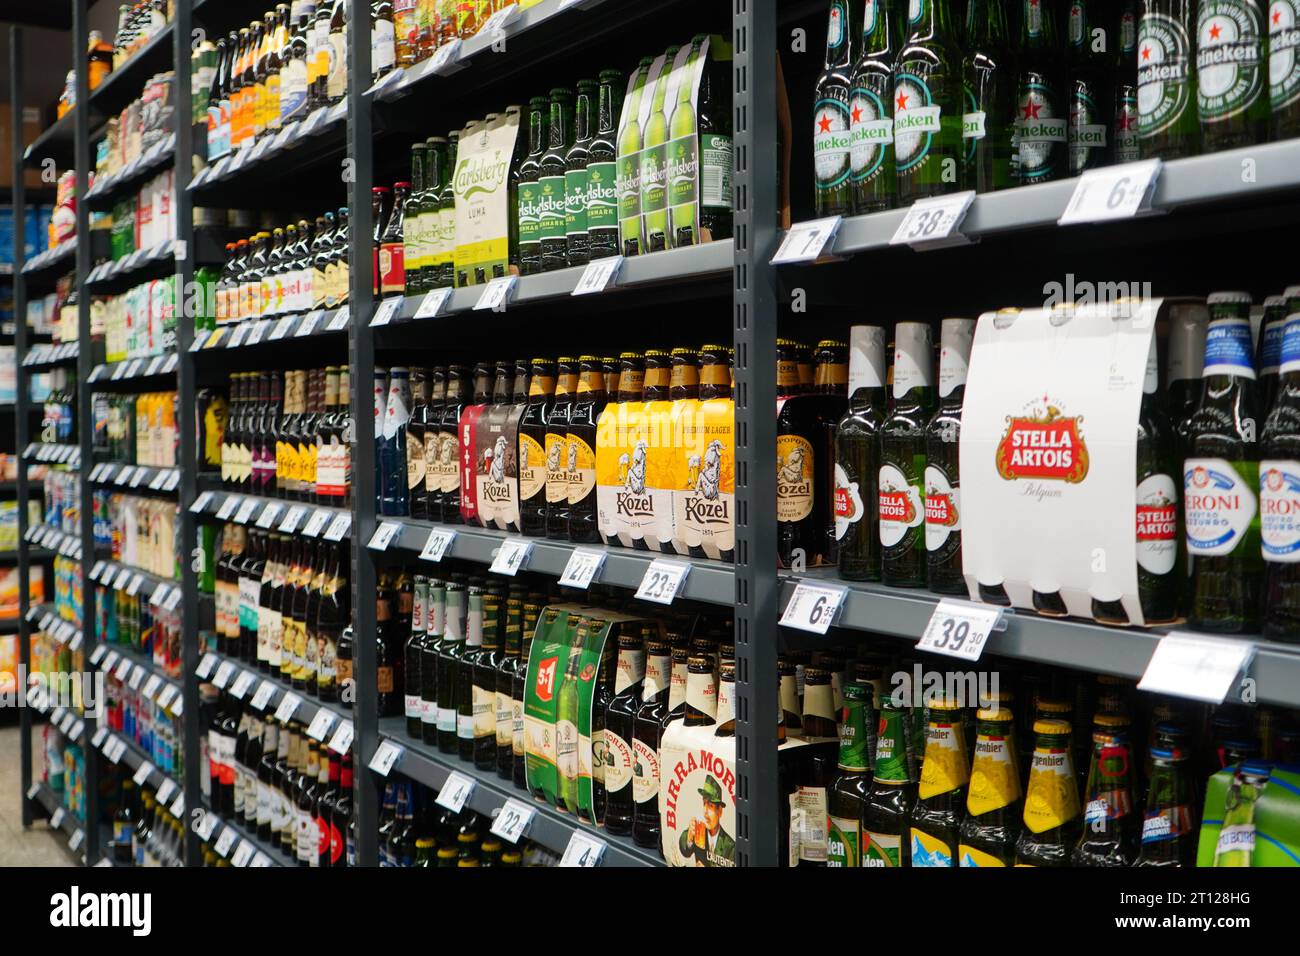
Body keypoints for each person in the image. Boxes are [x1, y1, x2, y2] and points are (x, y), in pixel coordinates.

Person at [678, 775, 735, 867]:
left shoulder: (731, 847)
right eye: (704, 804)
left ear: (719, 811)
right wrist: (689, 838)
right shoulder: (699, 832)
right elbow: (685, 850)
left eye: (710, 805)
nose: (705, 811)